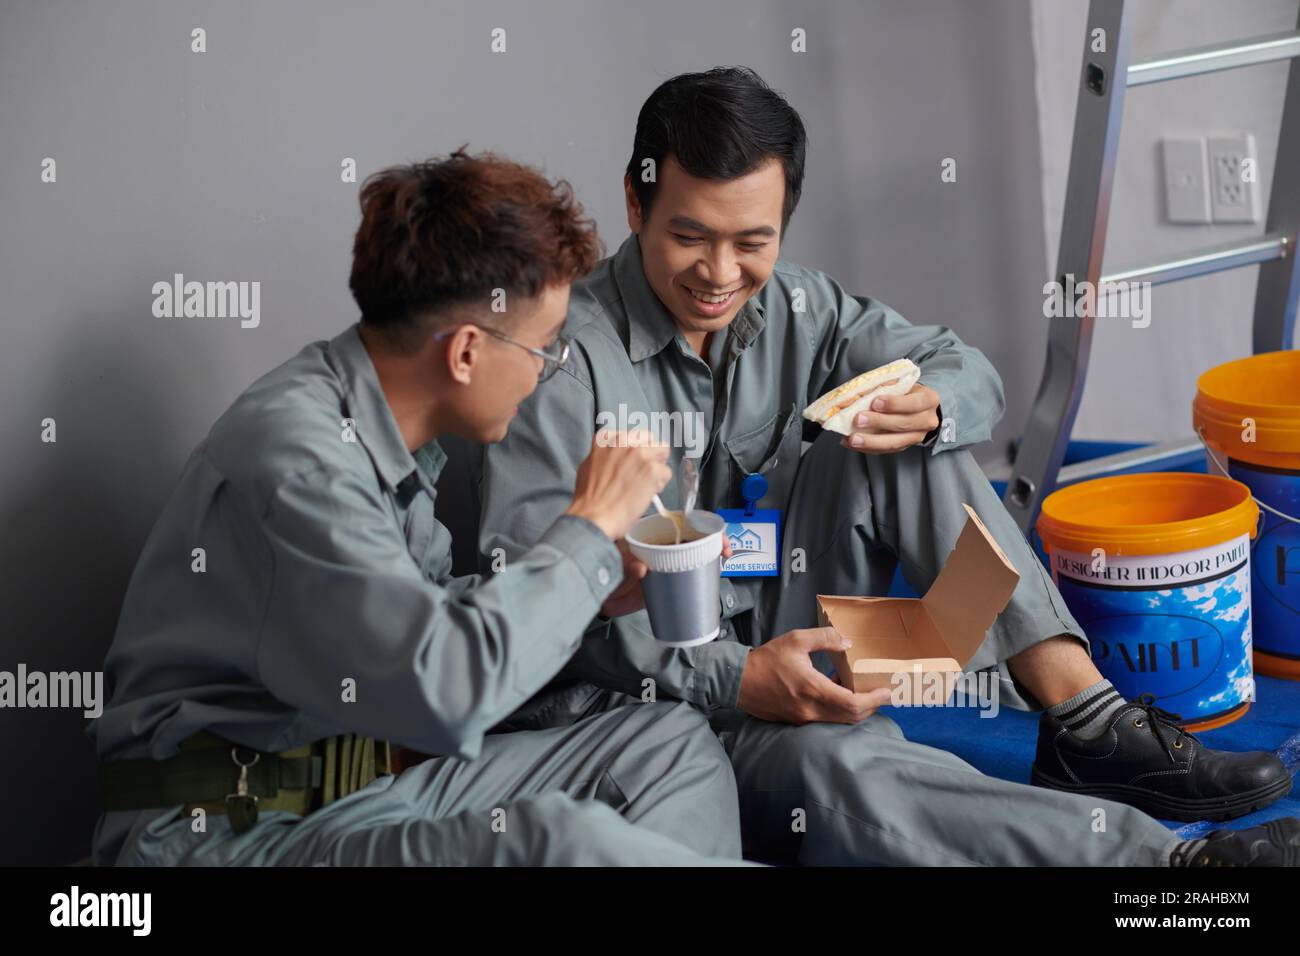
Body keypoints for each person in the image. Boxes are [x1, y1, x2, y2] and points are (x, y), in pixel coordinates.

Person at [443, 69, 1298, 866]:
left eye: (753, 241)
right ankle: (1174, 866)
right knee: (846, 772)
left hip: (817, 641)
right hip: (640, 704)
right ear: (635, 202)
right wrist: (741, 678)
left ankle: (1083, 718)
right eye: (689, 236)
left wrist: (933, 404)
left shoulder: (796, 305)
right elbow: (538, 607)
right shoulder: (551, 362)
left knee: (906, 427)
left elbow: (964, 366)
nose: (719, 273)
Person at [88, 150, 749, 867]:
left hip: (350, 795)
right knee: (558, 842)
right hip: (219, 834)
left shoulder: (391, 431)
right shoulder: (299, 459)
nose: (547, 370)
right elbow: (446, 692)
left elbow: (422, 619)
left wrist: (600, 592)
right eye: (544, 349)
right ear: (466, 352)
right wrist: (588, 528)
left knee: (667, 744)